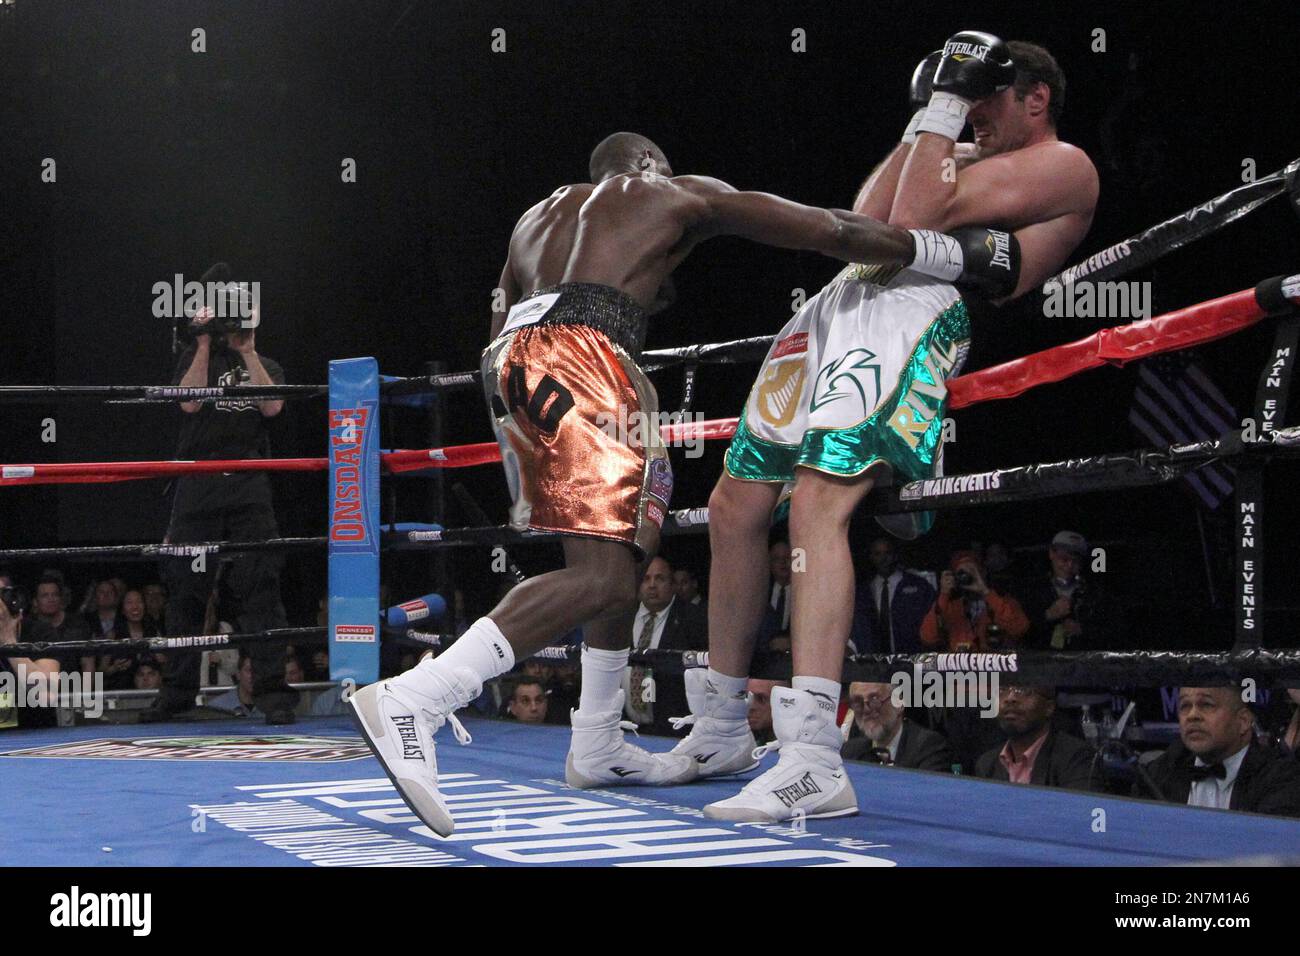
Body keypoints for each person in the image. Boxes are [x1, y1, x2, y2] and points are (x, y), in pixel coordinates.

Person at [350, 130, 990, 836]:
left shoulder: (537, 217)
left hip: (513, 367)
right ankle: (419, 696)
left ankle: (597, 737)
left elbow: (500, 315)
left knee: (631, 549)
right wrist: (938, 251)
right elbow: (829, 230)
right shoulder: (669, 191)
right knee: (599, 578)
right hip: (585, 359)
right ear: (651, 166)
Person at [683, 34, 1100, 822]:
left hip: (913, 311)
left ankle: (813, 757)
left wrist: (945, 104)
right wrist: (929, 115)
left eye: (986, 97)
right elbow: (863, 219)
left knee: (817, 502)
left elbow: (911, 218)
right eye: (966, 97)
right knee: (734, 506)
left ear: (1037, 98)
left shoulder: (1065, 163)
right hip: (841, 300)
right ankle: (721, 727)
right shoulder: (953, 153)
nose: (973, 113)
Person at [147, 285, 298, 725]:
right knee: (186, 593)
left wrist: (247, 351)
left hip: (248, 485)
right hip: (199, 483)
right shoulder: (197, 359)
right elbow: (189, 402)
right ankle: (177, 693)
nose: (232, 326)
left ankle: (273, 694)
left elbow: (273, 407)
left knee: (261, 588)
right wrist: (202, 343)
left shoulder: (265, 365)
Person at [1140, 686, 1300, 816]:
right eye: (1185, 706)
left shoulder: (1281, 779)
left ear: (1243, 721)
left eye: (1206, 705)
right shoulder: (1159, 774)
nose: (1192, 715)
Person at [974, 684, 1095, 790]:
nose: (1010, 698)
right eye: (1002, 690)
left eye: (1024, 690)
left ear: (1049, 707)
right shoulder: (987, 764)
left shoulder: (1077, 758)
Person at [920, 549, 1030, 651]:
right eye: (961, 573)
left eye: (972, 571)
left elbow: (1020, 628)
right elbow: (928, 637)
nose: (966, 576)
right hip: (962, 665)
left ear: (983, 572)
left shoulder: (1003, 602)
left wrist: (986, 592)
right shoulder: (950, 607)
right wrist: (944, 595)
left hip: (995, 665)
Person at [850, 537, 935, 654]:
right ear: (871, 557)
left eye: (887, 553)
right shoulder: (863, 592)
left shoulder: (919, 586)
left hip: (912, 657)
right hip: (872, 660)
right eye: (877, 554)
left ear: (895, 555)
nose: (883, 559)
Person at [842, 680, 953, 770]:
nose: (866, 710)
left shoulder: (929, 748)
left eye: (875, 699)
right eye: (858, 702)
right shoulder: (849, 753)